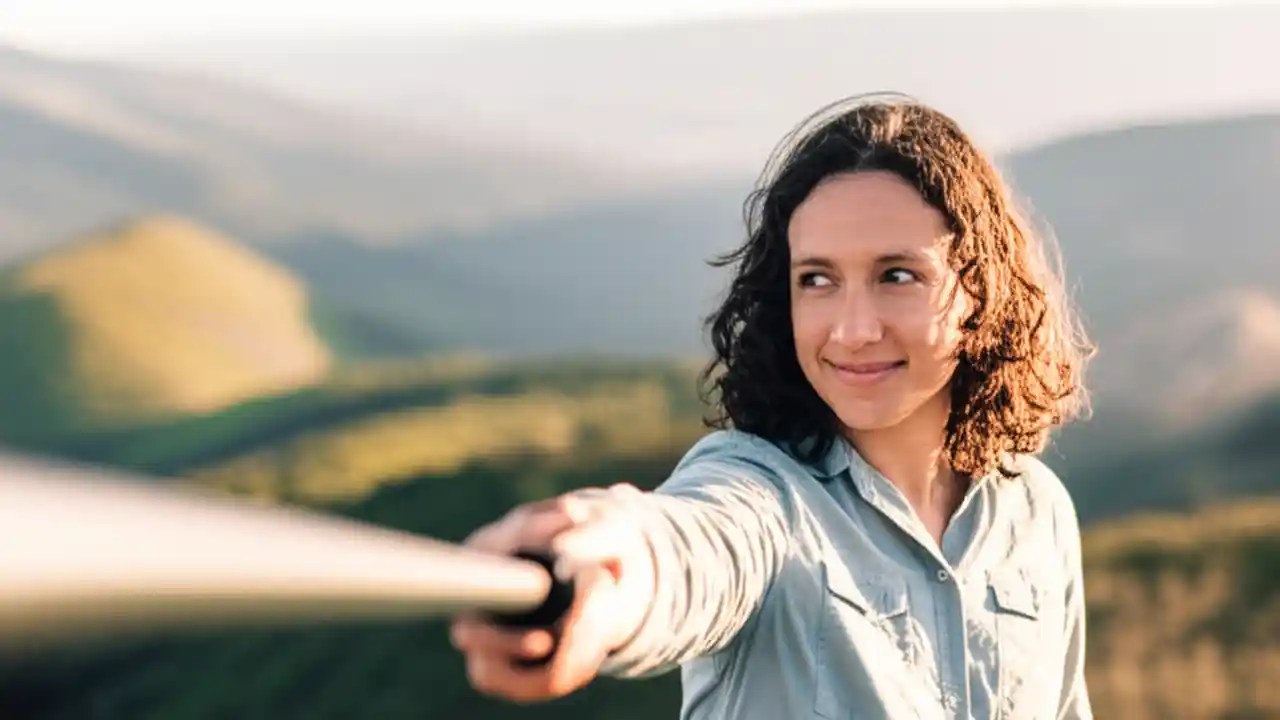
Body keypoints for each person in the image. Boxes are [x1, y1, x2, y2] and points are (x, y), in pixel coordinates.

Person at [449, 94, 1095, 720]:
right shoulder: (764, 494)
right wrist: (607, 567)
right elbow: (690, 547)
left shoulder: (1038, 513)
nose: (852, 329)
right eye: (817, 280)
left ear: (977, 292)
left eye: (897, 276)